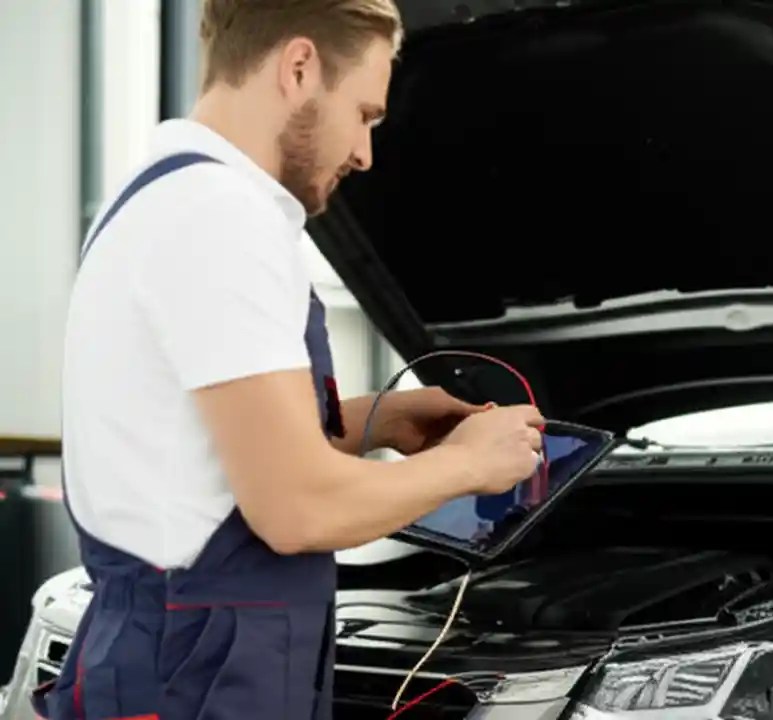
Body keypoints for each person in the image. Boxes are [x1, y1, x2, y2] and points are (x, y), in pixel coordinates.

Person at [32, 1, 544, 718]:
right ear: (299, 67)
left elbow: (210, 450)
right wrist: (470, 465)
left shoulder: (163, 195)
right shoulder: (219, 217)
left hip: (173, 656)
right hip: (198, 674)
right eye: (365, 113)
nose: (366, 153)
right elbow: (295, 509)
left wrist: (379, 421)